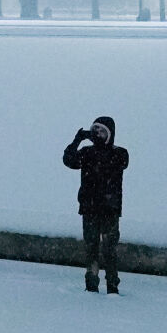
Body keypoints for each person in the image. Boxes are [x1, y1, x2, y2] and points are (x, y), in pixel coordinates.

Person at [62, 115, 128, 294]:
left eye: (102, 131)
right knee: (91, 248)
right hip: (89, 209)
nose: (97, 134)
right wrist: (77, 140)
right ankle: (91, 285)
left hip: (110, 210)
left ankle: (112, 287)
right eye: (95, 130)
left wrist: (98, 146)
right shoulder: (86, 153)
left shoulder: (119, 153)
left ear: (110, 133)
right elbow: (69, 160)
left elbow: (119, 163)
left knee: (109, 250)